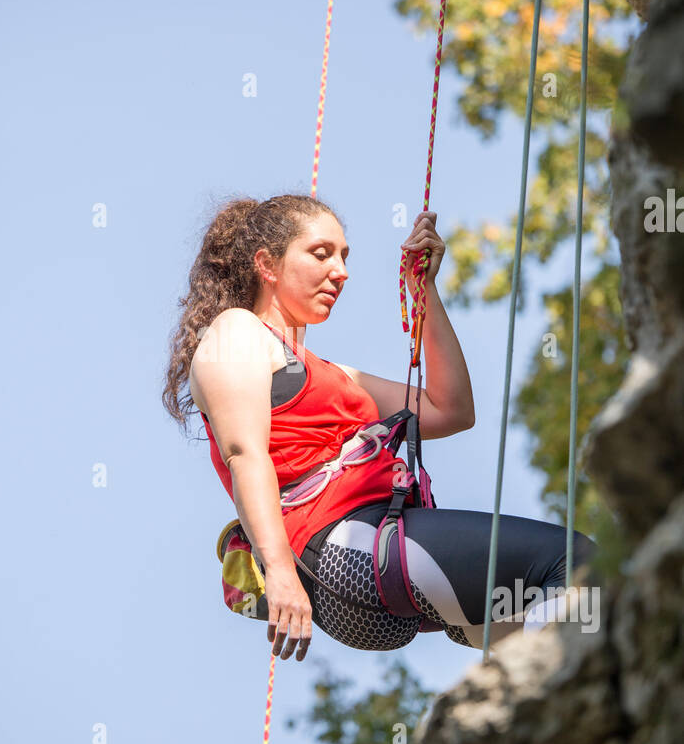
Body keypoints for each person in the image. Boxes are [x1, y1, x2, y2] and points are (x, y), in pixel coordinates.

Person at [162, 193, 599, 662]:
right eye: (321, 253)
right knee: (576, 563)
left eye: (344, 257)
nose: (341, 271)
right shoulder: (237, 332)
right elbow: (244, 453)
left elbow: (450, 410)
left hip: (374, 553)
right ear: (267, 265)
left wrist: (424, 289)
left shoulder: (335, 376)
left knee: (567, 608)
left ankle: (541, 711)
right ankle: (551, 692)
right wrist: (280, 571)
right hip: (345, 548)